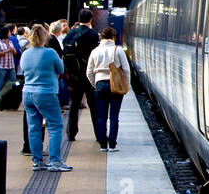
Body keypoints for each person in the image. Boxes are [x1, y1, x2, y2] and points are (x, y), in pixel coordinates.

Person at [21, 24, 70, 171]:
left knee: (34, 128)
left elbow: (24, 69)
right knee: (55, 126)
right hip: (46, 92)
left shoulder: (25, 53)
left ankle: (37, 161)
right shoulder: (50, 53)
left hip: (27, 93)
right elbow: (61, 69)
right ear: (45, 37)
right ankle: (55, 161)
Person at [86, 28, 129, 151]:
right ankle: (112, 144)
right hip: (115, 85)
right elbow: (126, 69)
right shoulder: (118, 50)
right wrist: (126, 85)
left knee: (101, 116)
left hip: (100, 84)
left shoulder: (94, 51)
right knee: (114, 116)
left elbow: (89, 72)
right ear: (113, 37)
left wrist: (95, 84)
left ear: (101, 38)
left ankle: (102, 145)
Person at [62, 10, 100, 142]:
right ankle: (99, 134)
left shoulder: (71, 33)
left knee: (74, 105)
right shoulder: (93, 34)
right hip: (89, 75)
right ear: (90, 19)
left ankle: (71, 133)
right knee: (94, 105)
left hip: (74, 75)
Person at [0, 26, 17, 97]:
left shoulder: (10, 42)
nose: (10, 33)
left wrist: (14, 50)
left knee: (12, 83)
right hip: (1, 67)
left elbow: (15, 53)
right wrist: (8, 50)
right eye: (9, 32)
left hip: (11, 66)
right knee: (0, 83)